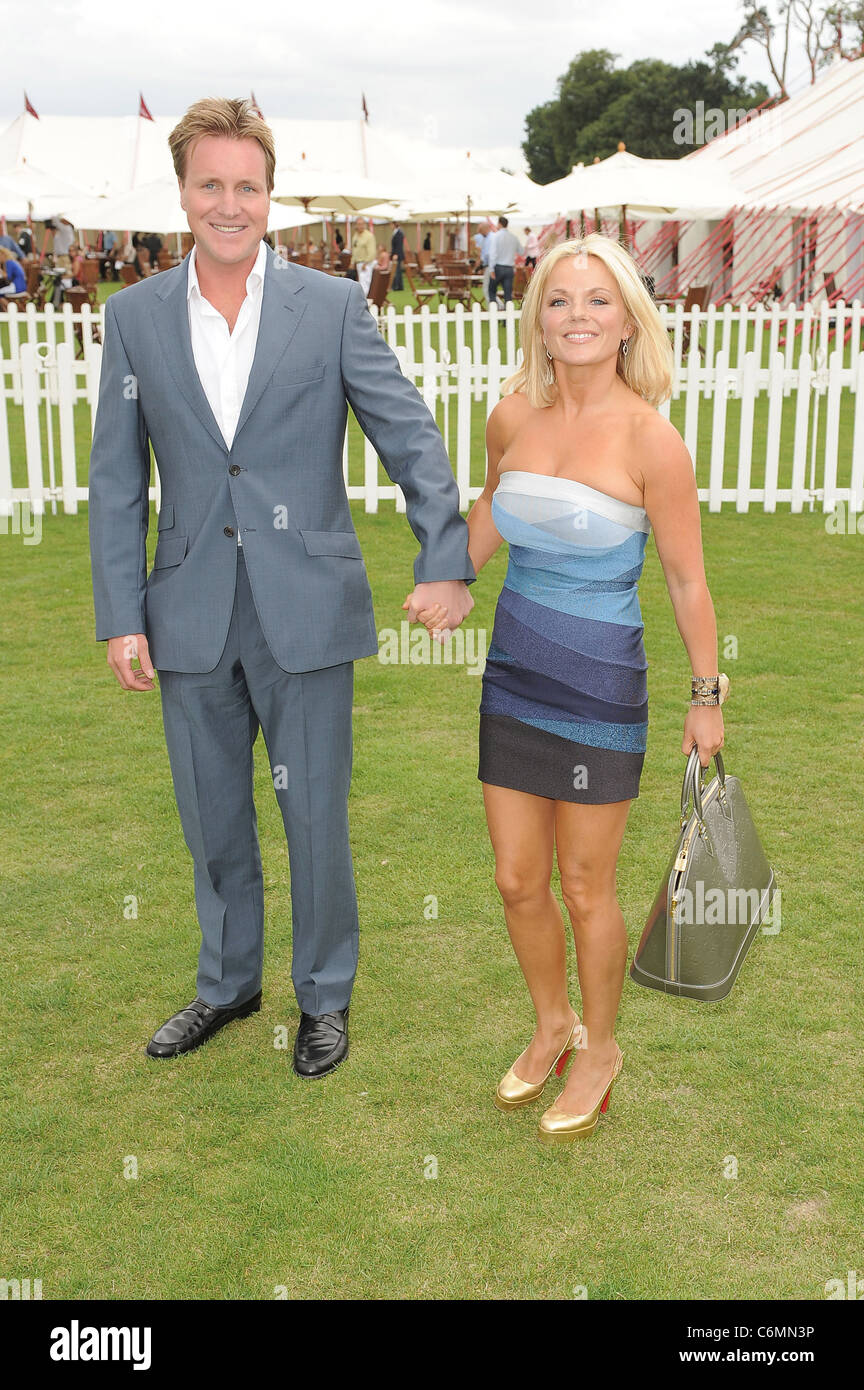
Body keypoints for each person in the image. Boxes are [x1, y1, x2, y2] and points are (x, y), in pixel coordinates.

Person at [88, 97, 475, 1080]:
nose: (229, 204)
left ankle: (325, 995)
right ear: (182, 193)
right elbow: (118, 481)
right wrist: (119, 612)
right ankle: (228, 984)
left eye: (246, 186)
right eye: (210, 184)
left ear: (272, 195)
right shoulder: (132, 319)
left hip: (306, 606)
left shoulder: (333, 307)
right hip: (188, 610)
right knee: (211, 812)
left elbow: (411, 436)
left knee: (314, 816)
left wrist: (443, 555)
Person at [414, 235, 724, 1143]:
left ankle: (603, 1049)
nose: (578, 316)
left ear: (628, 320)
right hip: (514, 673)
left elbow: (684, 579)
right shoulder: (512, 415)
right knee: (517, 880)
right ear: (538, 321)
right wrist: (453, 576)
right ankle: (554, 1025)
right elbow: (491, 508)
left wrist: (706, 693)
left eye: (597, 300)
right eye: (559, 301)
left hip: (599, 684)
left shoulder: (652, 440)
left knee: (585, 885)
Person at [489, 215, 521, 304]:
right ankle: (508, 316)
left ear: (499, 224)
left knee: (492, 291)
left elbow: (493, 254)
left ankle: (494, 312)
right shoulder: (514, 237)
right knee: (508, 294)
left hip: (498, 267)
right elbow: (521, 251)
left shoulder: (496, 236)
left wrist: (491, 269)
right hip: (509, 268)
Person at [350, 216, 376, 297]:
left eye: (362, 224)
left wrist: (366, 263)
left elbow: (372, 252)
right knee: (360, 283)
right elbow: (354, 250)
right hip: (358, 263)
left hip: (366, 263)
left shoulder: (369, 236)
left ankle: (365, 302)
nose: (360, 226)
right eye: (358, 224)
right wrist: (352, 262)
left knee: (365, 284)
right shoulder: (355, 236)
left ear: (365, 225)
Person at [390, 220, 405, 291]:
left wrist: (396, 254)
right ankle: (399, 286)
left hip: (397, 255)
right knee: (397, 271)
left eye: (391, 225)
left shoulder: (399, 233)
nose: (390, 226)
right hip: (396, 254)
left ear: (394, 225)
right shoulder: (396, 233)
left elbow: (399, 245)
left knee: (397, 271)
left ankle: (397, 286)